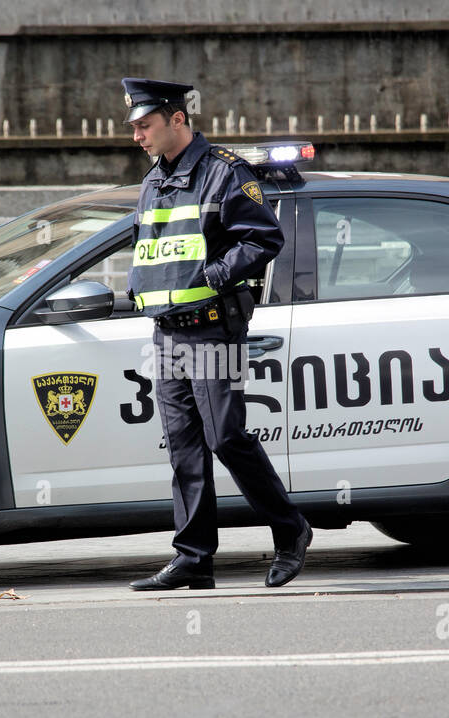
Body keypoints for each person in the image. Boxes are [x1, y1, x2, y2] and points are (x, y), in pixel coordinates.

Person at [121, 78, 312, 591]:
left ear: (176, 119)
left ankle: (291, 529)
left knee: (225, 437)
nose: (137, 135)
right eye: (134, 127)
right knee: (183, 446)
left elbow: (265, 237)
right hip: (167, 333)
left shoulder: (223, 173)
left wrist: (217, 274)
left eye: (145, 125)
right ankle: (194, 558)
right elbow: (153, 245)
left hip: (211, 330)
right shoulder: (154, 178)